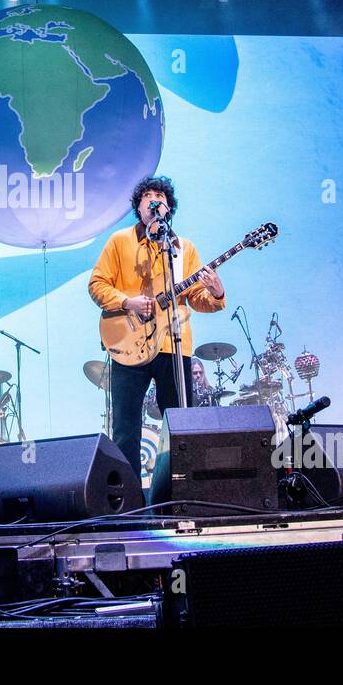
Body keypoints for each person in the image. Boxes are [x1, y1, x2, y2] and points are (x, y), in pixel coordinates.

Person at [88, 176, 226, 478]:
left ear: (169, 207)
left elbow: (196, 299)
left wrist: (215, 293)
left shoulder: (182, 248)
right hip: (127, 344)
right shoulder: (119, 241)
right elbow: (97, 285)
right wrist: (128, 303)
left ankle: (182, 490)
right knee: (125, 427)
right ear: (138, 207)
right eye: (147, 195)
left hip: (172, 346)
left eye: (160, 196)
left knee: (180, 425)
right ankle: (129, 501)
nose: (154, 199)